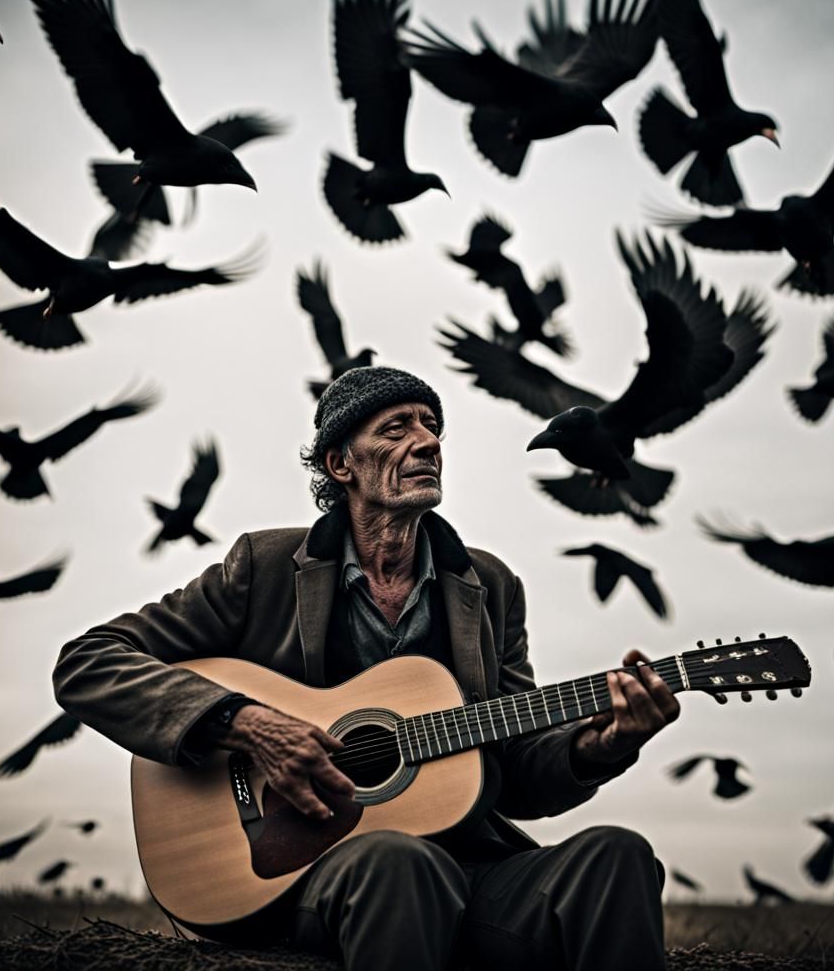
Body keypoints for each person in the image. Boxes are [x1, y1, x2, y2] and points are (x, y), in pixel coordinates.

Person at [54, 366, 681, 971]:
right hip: (306, 876)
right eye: (396, 428)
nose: (428, 441)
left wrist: (601, 745)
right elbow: (89, 661)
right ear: (339, 464)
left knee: (617, 855)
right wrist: (244, 724)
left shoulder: (488, 585)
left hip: (471, 872)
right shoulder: (263, 567)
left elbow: (515, 767)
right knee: (399, 861)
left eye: (432, 426)